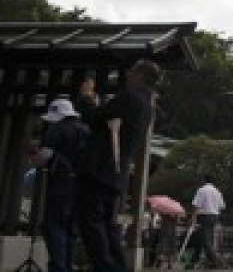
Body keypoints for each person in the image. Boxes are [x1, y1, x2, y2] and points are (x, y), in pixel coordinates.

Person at [75, 58, 160, 272]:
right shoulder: (147, 106)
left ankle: (106, 267)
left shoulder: (129, 97)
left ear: (139, 76)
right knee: (109, 225)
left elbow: (94, 117)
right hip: (118, 170)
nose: (128, 76)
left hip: (100, 167)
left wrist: (86, 98)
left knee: (92, 223)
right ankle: (117, 266)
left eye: (132, 72)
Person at [37, 98, 90, 272]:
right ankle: (68, 265)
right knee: (71, 227)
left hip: (61, 182)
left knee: (55, 225)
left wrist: (37, 158)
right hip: (82, 183)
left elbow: (45, 155)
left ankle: (58, 267)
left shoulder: (57, 129)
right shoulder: (85, 130)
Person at [189, 175, 226, 268]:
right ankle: (195, 260)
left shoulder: (202, 190)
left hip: (205, 216)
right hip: (215, 216)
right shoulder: (217, 191)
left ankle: (218, 262)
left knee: (206, 241)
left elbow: (197, 205)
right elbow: (221, 206)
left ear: (204, 180)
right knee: (204, 238)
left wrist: (193, 219)